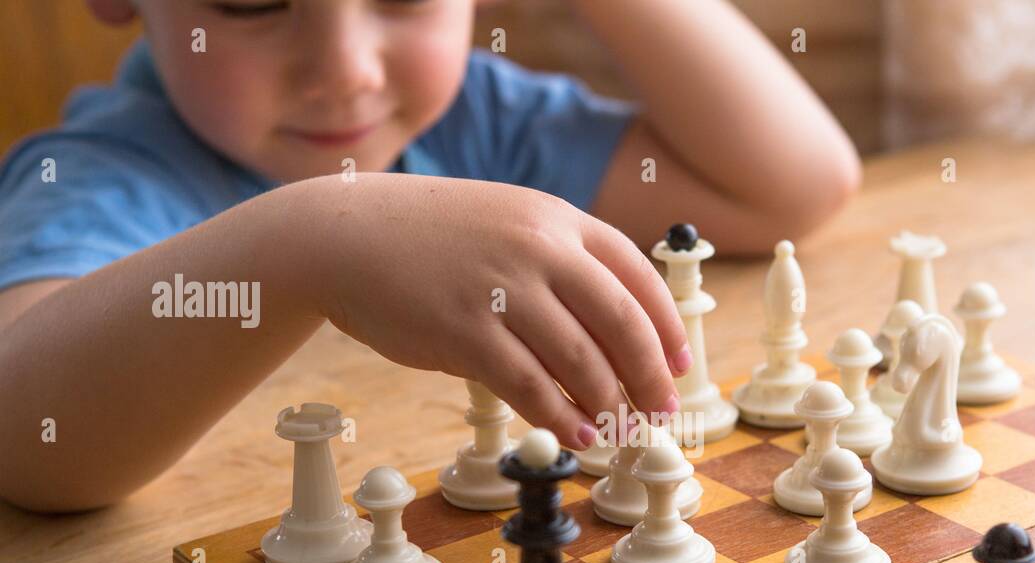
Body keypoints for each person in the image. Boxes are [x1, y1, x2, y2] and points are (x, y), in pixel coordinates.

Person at [0, 0, 860, 512]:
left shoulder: (478, 121)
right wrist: (317, 238)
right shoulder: (104, 175)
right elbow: (25, 433)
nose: (343, 71)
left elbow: (791, 186)